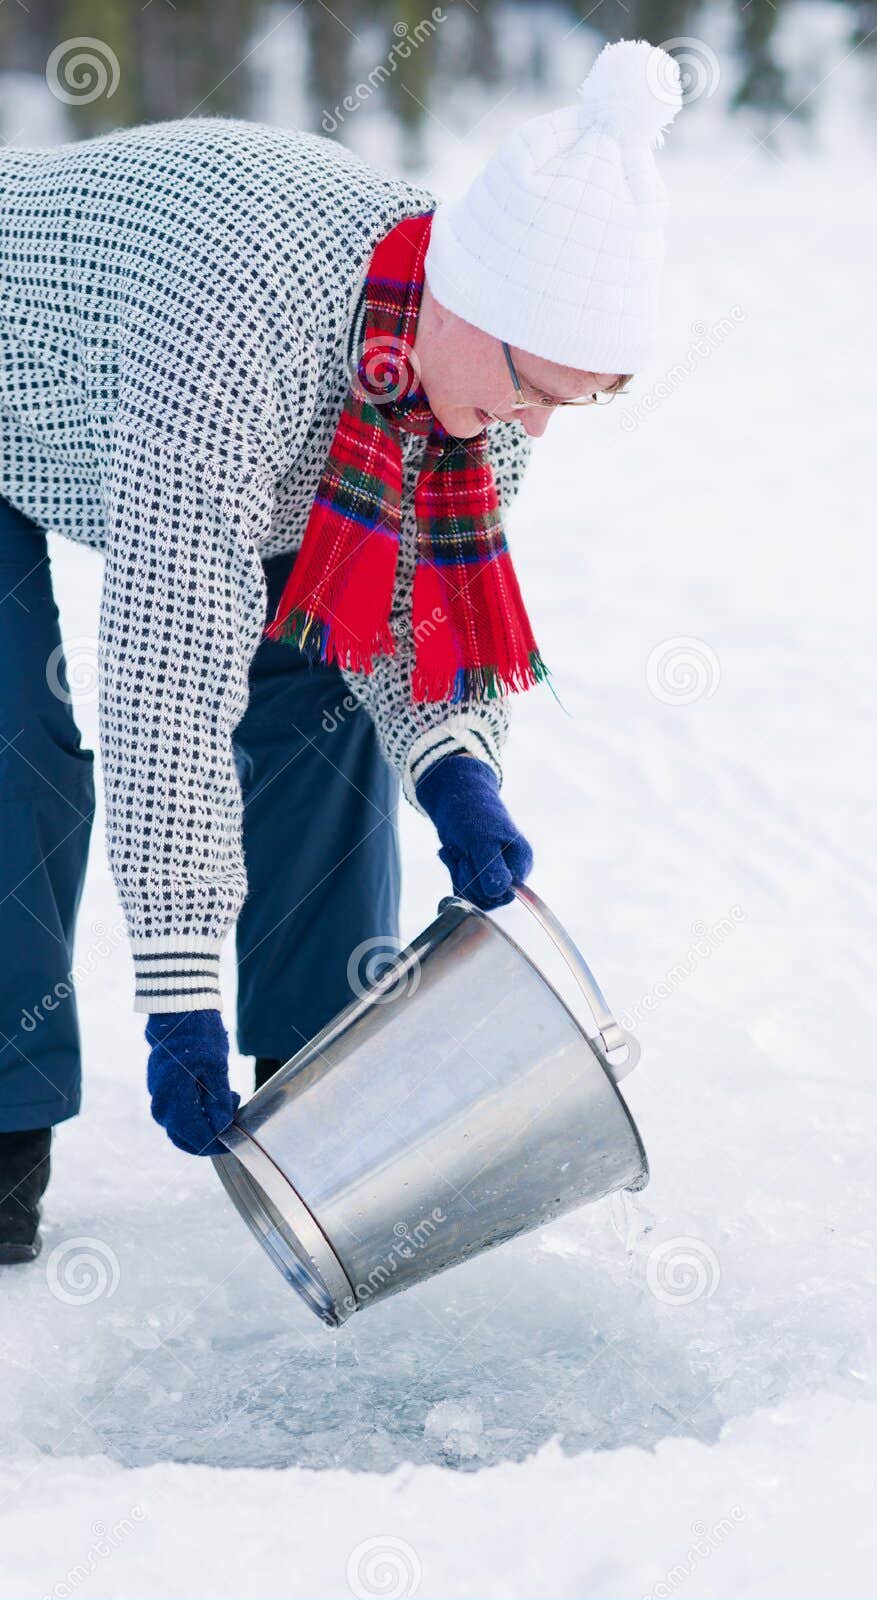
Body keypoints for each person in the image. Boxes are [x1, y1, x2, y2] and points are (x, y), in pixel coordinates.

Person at [0, 39, 681, 1261]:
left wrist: (458, 772)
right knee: (16, 757)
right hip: (44, 355)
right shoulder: (236, 339)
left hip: (258, 436)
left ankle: (315, 1096)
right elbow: (168, 687)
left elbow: (415, 625)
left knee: (333, 707)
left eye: (571, 402)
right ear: (472, 302)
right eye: (533, 385)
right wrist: (178, 997)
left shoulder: (481, 386)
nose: (533, 423)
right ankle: (0, 1143)